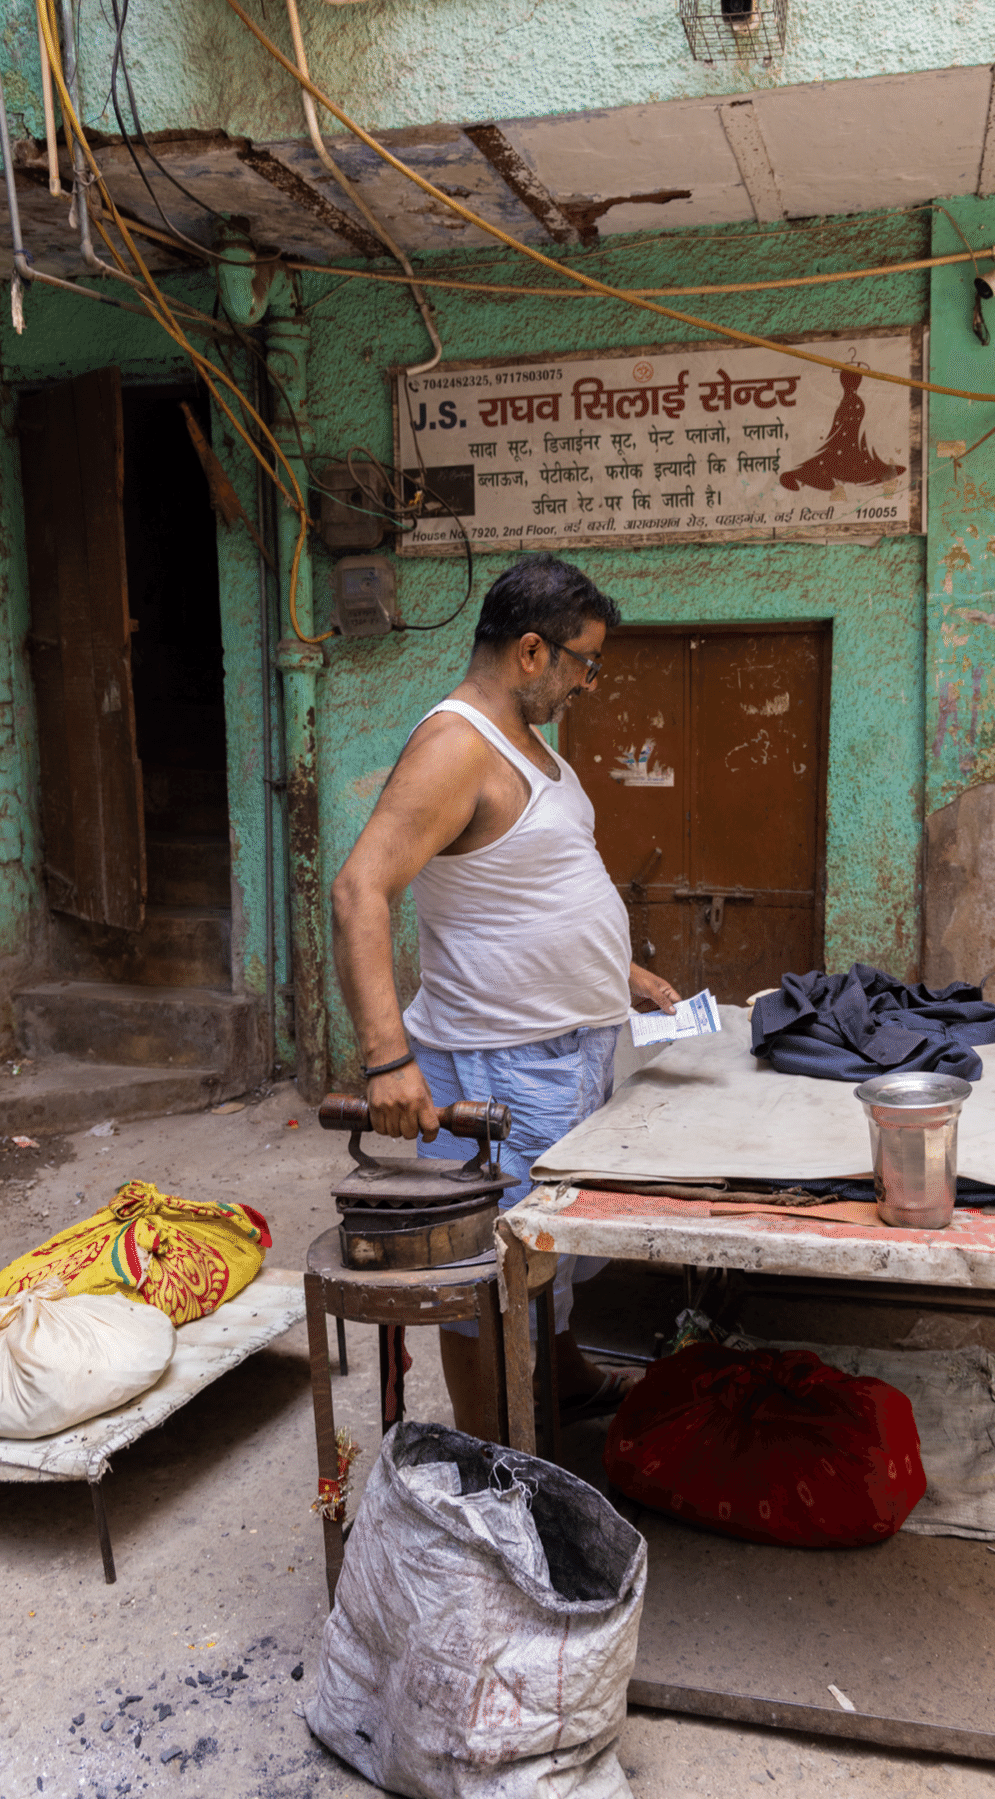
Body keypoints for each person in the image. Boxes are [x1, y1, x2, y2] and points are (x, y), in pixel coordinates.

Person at [331, 553, 681, 1435]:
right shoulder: (456, 745)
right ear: (532, 651)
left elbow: (531, 879)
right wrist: (388, 1061)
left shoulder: (529, 747)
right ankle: (499, 1468)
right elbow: (359, 889)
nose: (589, 683)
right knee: (487, 1279)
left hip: (565, 1052)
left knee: (543, 1258)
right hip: (500, 1065)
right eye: (584, 663)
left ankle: (558, 1384)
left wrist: (620, 974)